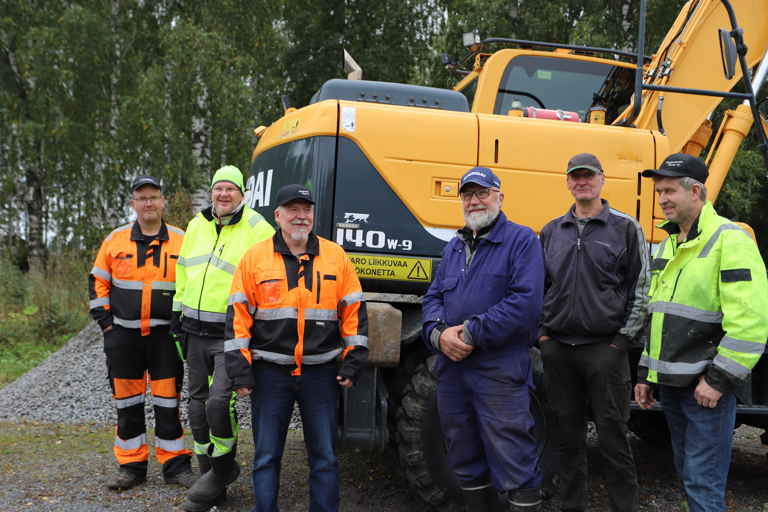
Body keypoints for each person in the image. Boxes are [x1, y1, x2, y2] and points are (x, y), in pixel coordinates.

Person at [635, 153, 768, 512]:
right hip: (676, 388)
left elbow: (750, 321)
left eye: (668, 191)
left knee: (703, 484)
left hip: (705, 390)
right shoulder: (669, 243)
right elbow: (657, 316)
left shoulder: (731, 240)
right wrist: (647, 375)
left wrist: (719, 379)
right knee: (689, 476)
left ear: (696, 191)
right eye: (658, 191)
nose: (661, 199)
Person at [223, 184, 368, 512]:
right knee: (265, 458)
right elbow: (237, 317)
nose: (301, 216)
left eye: (306, 209)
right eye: (292, 209)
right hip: (270, 374)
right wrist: (240, 371)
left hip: (322, 374)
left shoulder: (336, 257)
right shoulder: (255, 258)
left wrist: (352, 361)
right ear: (278, 216)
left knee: (326, 459)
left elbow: (354, 313)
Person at [421, 167, 545, 512]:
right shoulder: (453, 248)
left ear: (500, 198)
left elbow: (525, 303)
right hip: (453, 370)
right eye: (467, 194)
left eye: (482, 193)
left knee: (515, 457)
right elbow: (431, 299)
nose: (474, 201)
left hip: (499, 368)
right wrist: (438, 333)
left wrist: (471, 332)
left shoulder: (522, 242)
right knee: (463, 454)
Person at [537, 153, 650, 512]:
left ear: (602, 180)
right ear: (567, 183)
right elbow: (538, 287)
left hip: (606, 350)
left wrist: (621, 342)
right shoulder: (552, 230)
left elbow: (641, 288)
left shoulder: (626, 228)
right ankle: (573, 507)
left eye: (589, 175)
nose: (582, 182)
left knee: (614, 438)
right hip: (559, 350)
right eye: (575, 176)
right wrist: (542, 336)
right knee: (569, 440)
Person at [173, 165, 275, 511]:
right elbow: (183, 273)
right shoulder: (196, 225)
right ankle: (213, 485)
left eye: (231, 189)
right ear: (212, 193)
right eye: (219, 189)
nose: (224, 194)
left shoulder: (258, 227)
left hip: (230, 334)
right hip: (193, 332)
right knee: (196, 407)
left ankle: (223, 470)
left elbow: (269, 276)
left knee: (219, 405)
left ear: (242, 194)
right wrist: (176, 315)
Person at [89, 174, 194, 490]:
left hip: (165, 338)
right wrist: (108, 327)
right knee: (127, 404)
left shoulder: (182, 239)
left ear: (163, 201)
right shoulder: (115, 240)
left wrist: (183, 328)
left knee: (168, 404)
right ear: (133, 204)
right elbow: (98, 282)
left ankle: (175, 467)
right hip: (124, 338)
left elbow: (194, 284)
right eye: (142, 198)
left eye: (154, 197)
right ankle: (131, 468)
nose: (148, 203)